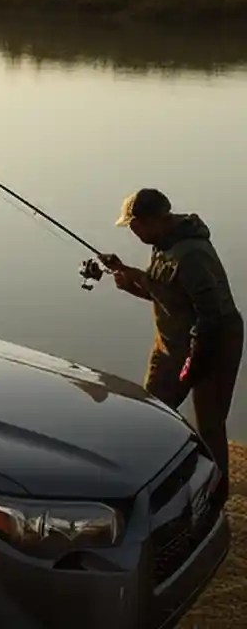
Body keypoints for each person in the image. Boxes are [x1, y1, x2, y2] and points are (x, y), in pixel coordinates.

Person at [100, 188, 242, 483]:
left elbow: (210, 316)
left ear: (152, 220)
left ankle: (216, 490)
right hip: (171, 343)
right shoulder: (163, 243)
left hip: (214, 344)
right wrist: (128, 277)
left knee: (210, 424)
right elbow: (169, 294)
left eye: (134, 224)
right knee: (152, 409)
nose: (133, 231)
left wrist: (193, 363)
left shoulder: (191, 255)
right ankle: (148, 478)